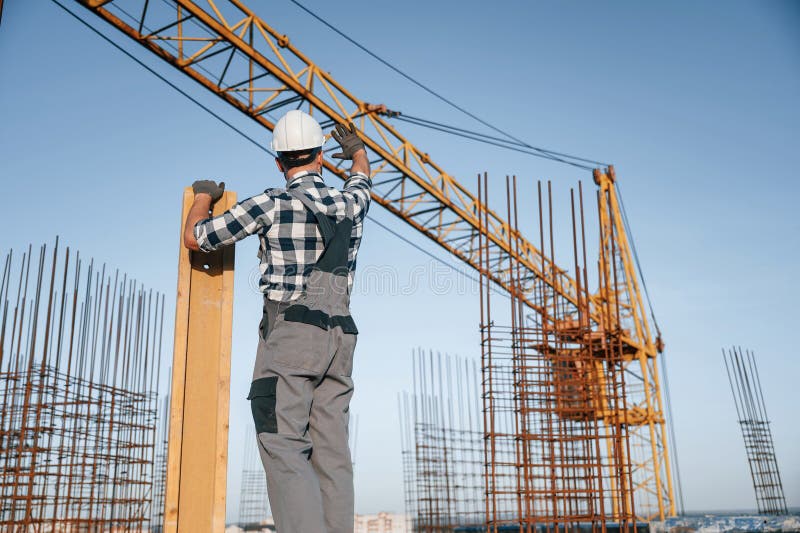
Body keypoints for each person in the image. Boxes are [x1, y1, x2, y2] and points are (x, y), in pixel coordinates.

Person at [182, 109, 371, 533]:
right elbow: (361, 176)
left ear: (279, 161)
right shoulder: (351, 204)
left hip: (290, 336)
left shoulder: (272, 203)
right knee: (333, 452)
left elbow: (197, 237)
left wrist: (202, 196)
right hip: (341, 336)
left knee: (283, 443)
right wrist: (356, 149)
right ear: (321, 156)